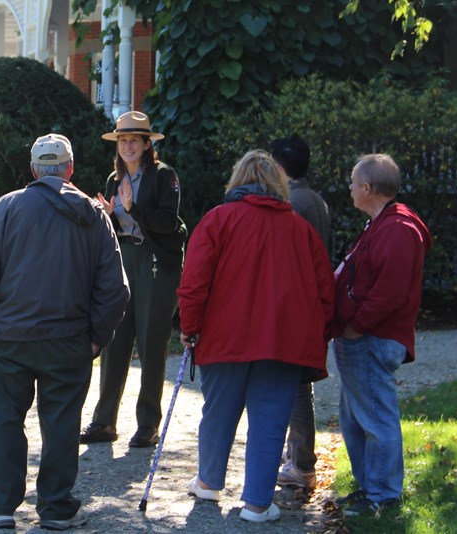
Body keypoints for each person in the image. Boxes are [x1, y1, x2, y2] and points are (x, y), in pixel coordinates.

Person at [0, 133, 129, 530]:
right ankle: (56, 507)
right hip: (69, 339)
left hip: (8, 338)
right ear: (69, 168)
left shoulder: (8, 207)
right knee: (61, 423)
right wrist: (97, 336)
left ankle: (1, 506)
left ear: (35, 169)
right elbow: (115, 289)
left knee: (4, 419)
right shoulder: (94, 215)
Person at [176, 150, 334, 523]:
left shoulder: (218, 220)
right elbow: (325, 291)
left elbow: (194, 282)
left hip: (223, 338)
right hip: (282, 341)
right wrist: (319, 333)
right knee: (270, 419)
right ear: (278, 184)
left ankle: (209, 481)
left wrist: (190, 326)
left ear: (237, 180)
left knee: (217, 411)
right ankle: (258, 503)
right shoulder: (301, 230)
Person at [330, 154, 431, 516]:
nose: (351, 188)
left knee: (375, 417)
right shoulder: (381, 224)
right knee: (356, 417)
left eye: (354, 182)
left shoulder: (397, 229)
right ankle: (370, 487)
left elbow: (390, 293)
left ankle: (383, 495)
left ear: (368, 188)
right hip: (361, 337)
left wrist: (356, 327)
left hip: (371, 338)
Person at [80, 111, 186, 449]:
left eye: (133, 140)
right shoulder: (115, 178)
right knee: (114, 340)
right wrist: (108, 217)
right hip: (123, 260)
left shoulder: (164, 176)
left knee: (152, 344)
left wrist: (134, 208)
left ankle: (147, 425)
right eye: (122, 140)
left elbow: (169, 222)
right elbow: (116, 228)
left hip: (155, 263)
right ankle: (104, 421)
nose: (127, 145)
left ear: (145, 144)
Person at [269, 135, 331, 491]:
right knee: (299, 383)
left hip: (296, 305)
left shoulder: (292, 203)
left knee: (293, 385)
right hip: (310, 303)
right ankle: (298, 456)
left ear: (279, 166)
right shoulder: (315, 200)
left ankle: (302, 461)